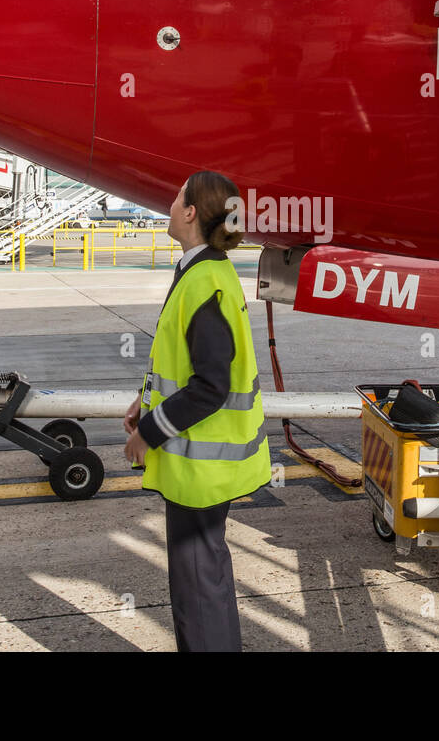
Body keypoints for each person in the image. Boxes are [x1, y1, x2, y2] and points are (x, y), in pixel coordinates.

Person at [122, 171, 270, 652]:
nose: (168, 202)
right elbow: (186, 365)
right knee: (204, 581)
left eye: (176, 195)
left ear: (190, 213)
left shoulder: (203, 280)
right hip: (203, 466)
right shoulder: (208, 270)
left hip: (200, 469)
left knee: (198, 590)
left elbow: (209, 387)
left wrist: (148, 431)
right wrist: (144, 401)